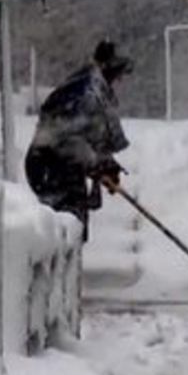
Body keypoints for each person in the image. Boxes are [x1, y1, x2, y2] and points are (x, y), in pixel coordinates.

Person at [25, 40, 134, 240]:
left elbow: (89, 136)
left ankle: (68, 266)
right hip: (51, 170)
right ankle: (63, 268)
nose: (120, 80)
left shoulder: (92, 88)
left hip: (61, 168)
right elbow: (70, 139)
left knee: (74, 229)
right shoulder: (87, 94)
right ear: (107, 68)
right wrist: (97, 164)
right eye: (118, 73)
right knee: (66, 232)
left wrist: (105, 164)